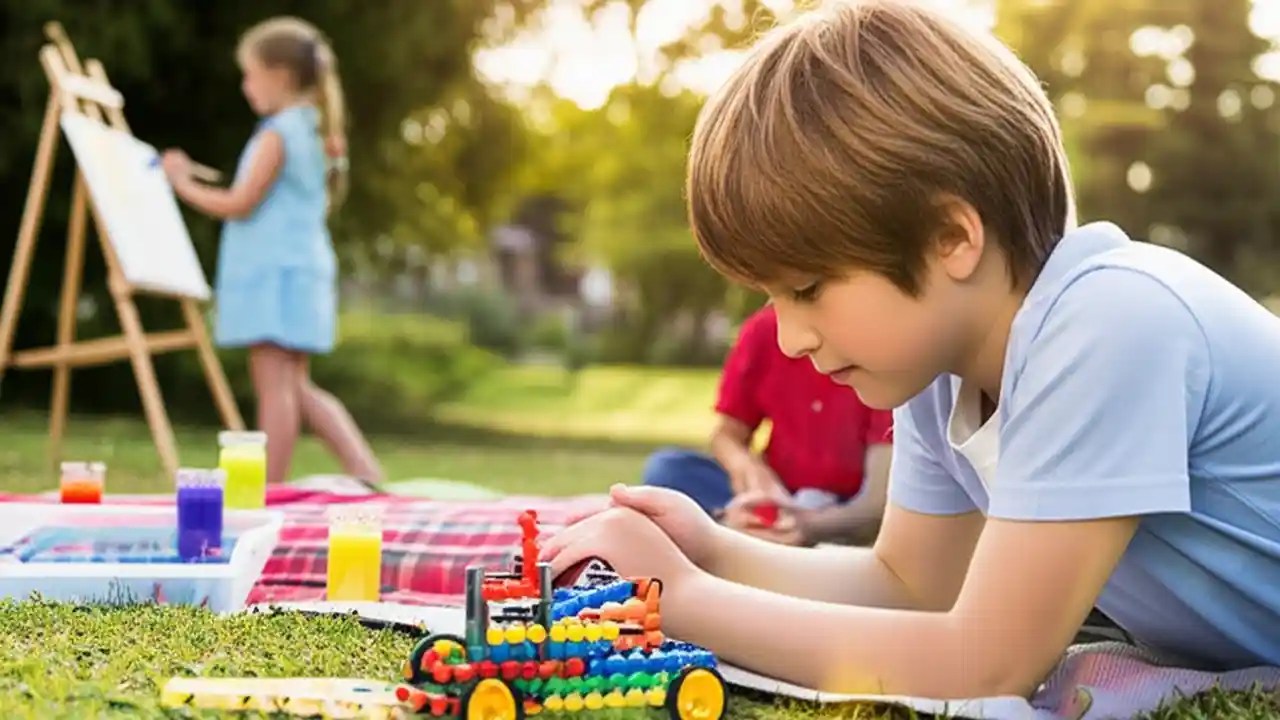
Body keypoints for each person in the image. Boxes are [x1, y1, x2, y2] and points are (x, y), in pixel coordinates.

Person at [542, 0, 1280, 699]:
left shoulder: (1110, 322)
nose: (791, 338)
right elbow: (913, 588)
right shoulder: (939, 370)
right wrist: (713, 553)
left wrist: (684, 600)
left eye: (807, 288)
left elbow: (986, 664)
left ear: (952, 238)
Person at [163, 17, 382, 488]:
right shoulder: (315, 132)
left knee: (275, 387)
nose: (245, 87)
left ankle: (272, 490)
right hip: (301, 270)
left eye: (250, 75)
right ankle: (366, 473)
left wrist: (181, 185)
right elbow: (273, 198)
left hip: (275, 275)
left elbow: (240, 204)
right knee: (296, 387)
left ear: (279, 75)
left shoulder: (276, 134)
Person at [642, 304, 892, 546]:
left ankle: (742, 531)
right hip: (776, 493)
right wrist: (748, 469)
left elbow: (875, 502)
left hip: (842, 505)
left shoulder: (877, 347)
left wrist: (805, 526)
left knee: (881, 511)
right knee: (668, 468)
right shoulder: (765, 329)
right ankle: (748, 527)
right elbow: (727, 435)